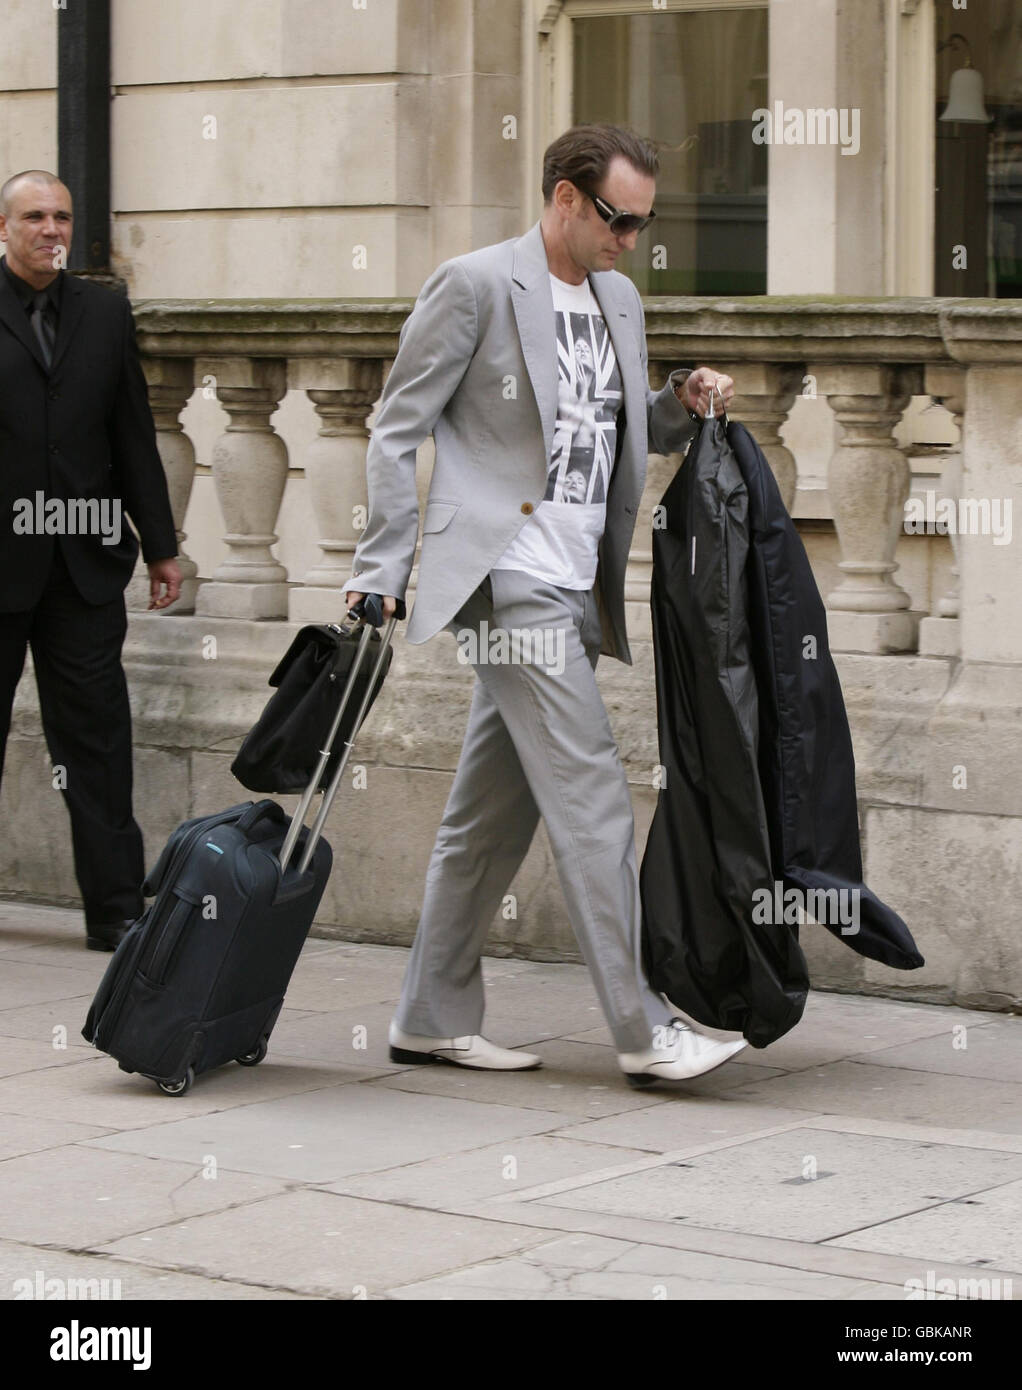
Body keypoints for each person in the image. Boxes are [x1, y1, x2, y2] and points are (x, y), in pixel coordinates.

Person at [345, 124, 747, 1086]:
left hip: (577, 581)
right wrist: (379, 567)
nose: (631, 240)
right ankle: (645, 1030)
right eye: (618, 218)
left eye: (645, 223)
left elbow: (613, 427)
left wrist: (681, 401)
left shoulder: (618, 296)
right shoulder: (476, 284)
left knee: (488, 816)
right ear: (565, 198)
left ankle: (429, 1017)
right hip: (505, 580)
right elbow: (396, 427)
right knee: (595, 801)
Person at [0, 170, 180, 951]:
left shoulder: (104, 310)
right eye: (34, 216)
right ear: (4, 227)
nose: (51, 228)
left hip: (83, 563)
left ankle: (115, 909)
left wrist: (164, 545)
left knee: (99, 739)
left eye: (62, 216)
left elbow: (133, 435)